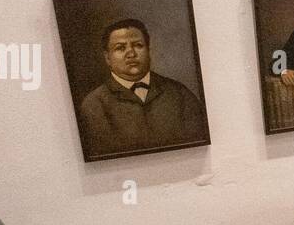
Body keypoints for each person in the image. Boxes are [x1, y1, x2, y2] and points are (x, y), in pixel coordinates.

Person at [78, 19, 208, 157]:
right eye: (120, 48)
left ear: (149, 50)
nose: (131, 54)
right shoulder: (94, 104)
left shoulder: (180, 94)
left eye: (138, 45)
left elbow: (198, 148)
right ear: (107, 58)